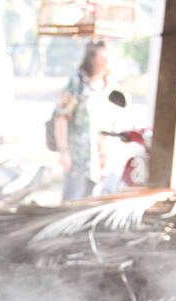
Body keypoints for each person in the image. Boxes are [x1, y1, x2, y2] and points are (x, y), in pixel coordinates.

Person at [51, 40, 111, 202]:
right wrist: (64, 152)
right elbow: (61, 118)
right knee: (71, 202)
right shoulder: (77, 84)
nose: (106, 60)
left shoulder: (105, 85)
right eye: (103, 56)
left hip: (98, 159)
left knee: (90, 202)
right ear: (92, 58)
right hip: (77, 158)